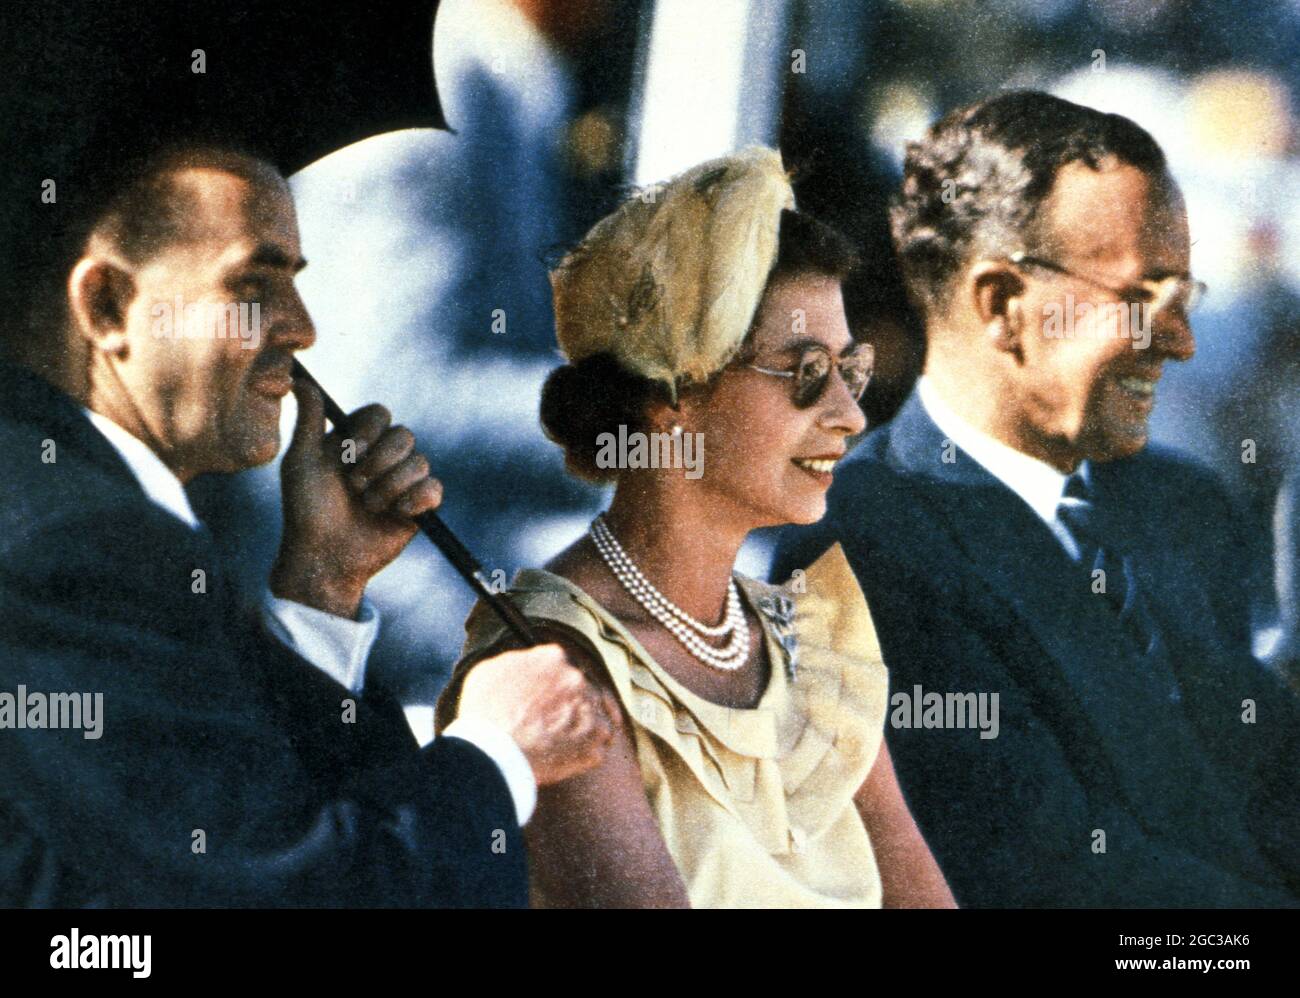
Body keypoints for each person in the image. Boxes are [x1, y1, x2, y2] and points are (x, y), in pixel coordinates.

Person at [0, 142, 617, 907]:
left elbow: (236, 825)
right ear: (108, 308)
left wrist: (322, 584)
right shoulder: (76, 544)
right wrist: (498, 752)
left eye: (295, 284)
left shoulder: (72, 502)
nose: (301, 328)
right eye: (254, 287)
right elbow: (288, 894)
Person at [773, 91, 1300, 907]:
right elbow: (1042, 879)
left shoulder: (1182, 511)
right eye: (1141, 299)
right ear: (1002, 306)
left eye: (1184, 298)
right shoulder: (865, 555)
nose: (1181, 343)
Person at [436, 148, 955, 908]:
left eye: (853, 370)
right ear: (673, 393)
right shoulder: (555, 671)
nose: (848, 415)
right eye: (807, 373)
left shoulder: (808, 644)